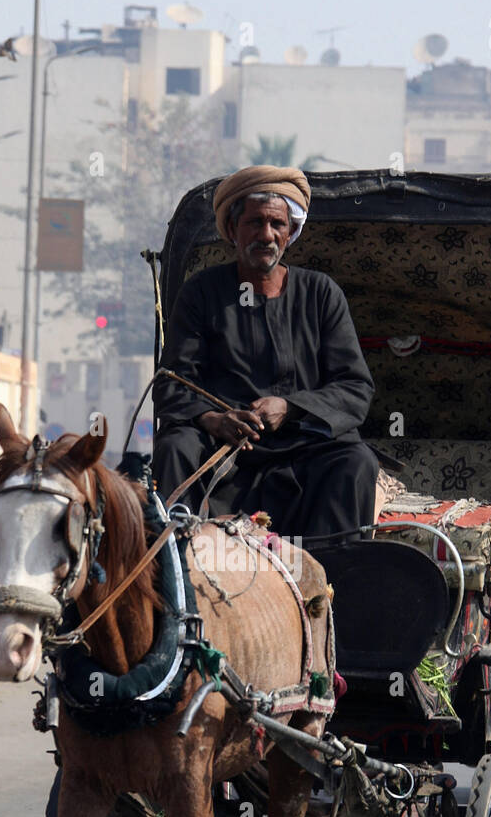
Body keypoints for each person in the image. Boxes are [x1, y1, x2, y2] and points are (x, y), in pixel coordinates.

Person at [151, 165, 378, 540]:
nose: (266, 235)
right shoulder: (201, 293)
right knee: (175, 447)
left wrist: (289, 408)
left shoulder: (320, 294)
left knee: (355, 462)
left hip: (306, 452)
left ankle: (331, 585)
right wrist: (214, 419)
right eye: (254, 223)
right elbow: (172, 383)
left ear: (291, 233)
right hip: (224, 454)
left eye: (277, 224)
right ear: (233, 231)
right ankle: (179, 579)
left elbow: (354, 388)